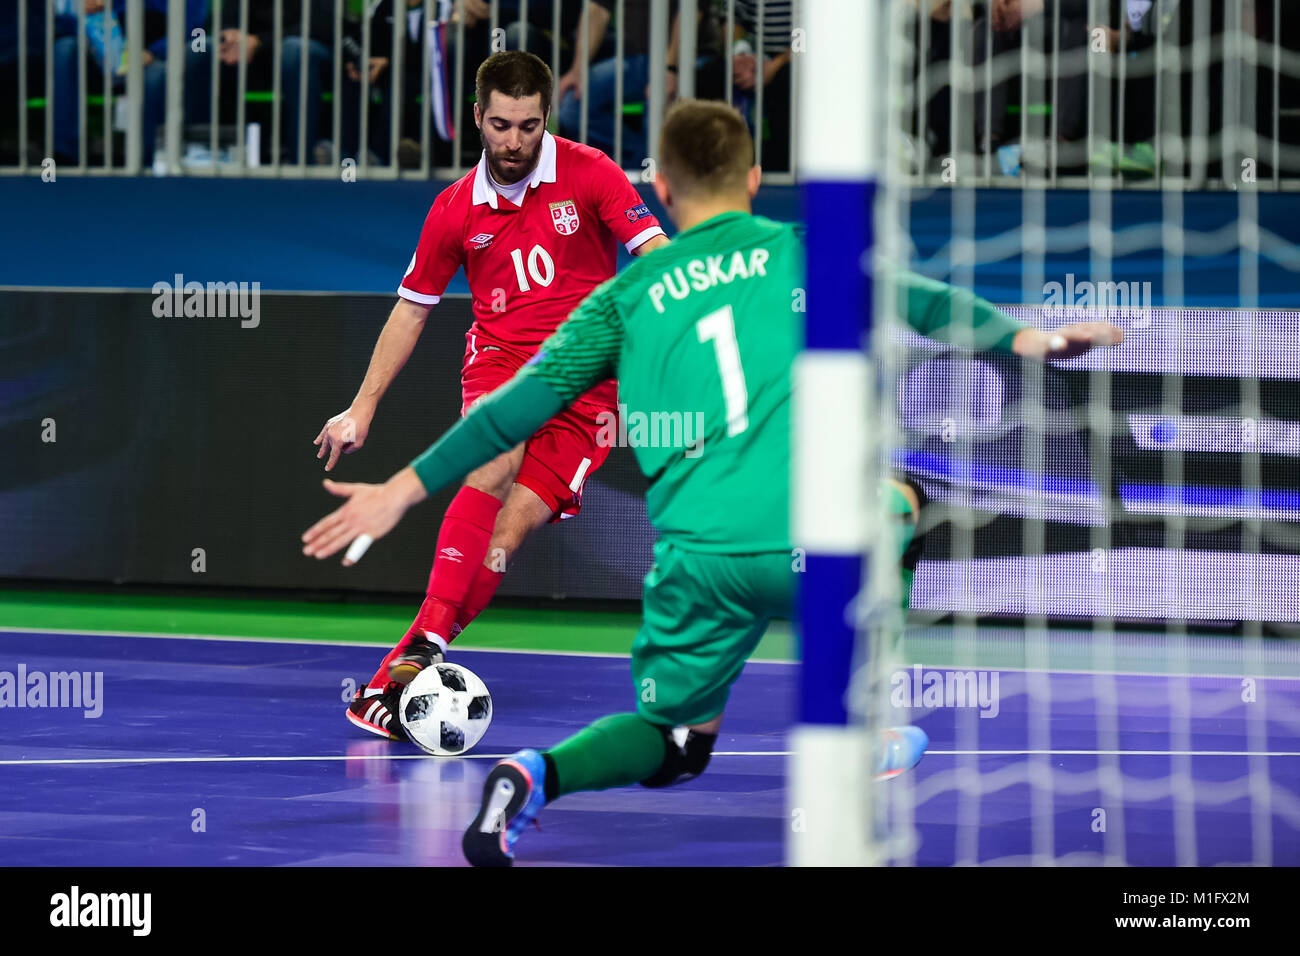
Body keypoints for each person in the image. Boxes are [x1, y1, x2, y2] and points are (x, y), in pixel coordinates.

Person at [302, 99, 1124, 865]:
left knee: (676, 744)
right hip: (808, 540)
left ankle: (531, 776)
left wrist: (403, 487)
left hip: (694, 560)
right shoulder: (802, 254)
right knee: (902, 500)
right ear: (757, 179)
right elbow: (928, 304)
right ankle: (870, 722)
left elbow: (506, 415)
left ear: (659, 187)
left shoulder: (623, 298)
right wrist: (1035, 341)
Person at [312, 50, 668, 742]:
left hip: (591, 382)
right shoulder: (453, 211)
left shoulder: (591, 173)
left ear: (545, 121)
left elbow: (652, 252)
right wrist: (362, 407)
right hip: (502, 367)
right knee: (492, 460)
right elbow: (412, 309)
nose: (514, 142)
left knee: (507, 534)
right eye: (500, 125)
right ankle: (409, 665)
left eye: (528, 127)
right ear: (477, 117)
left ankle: (408, 662)